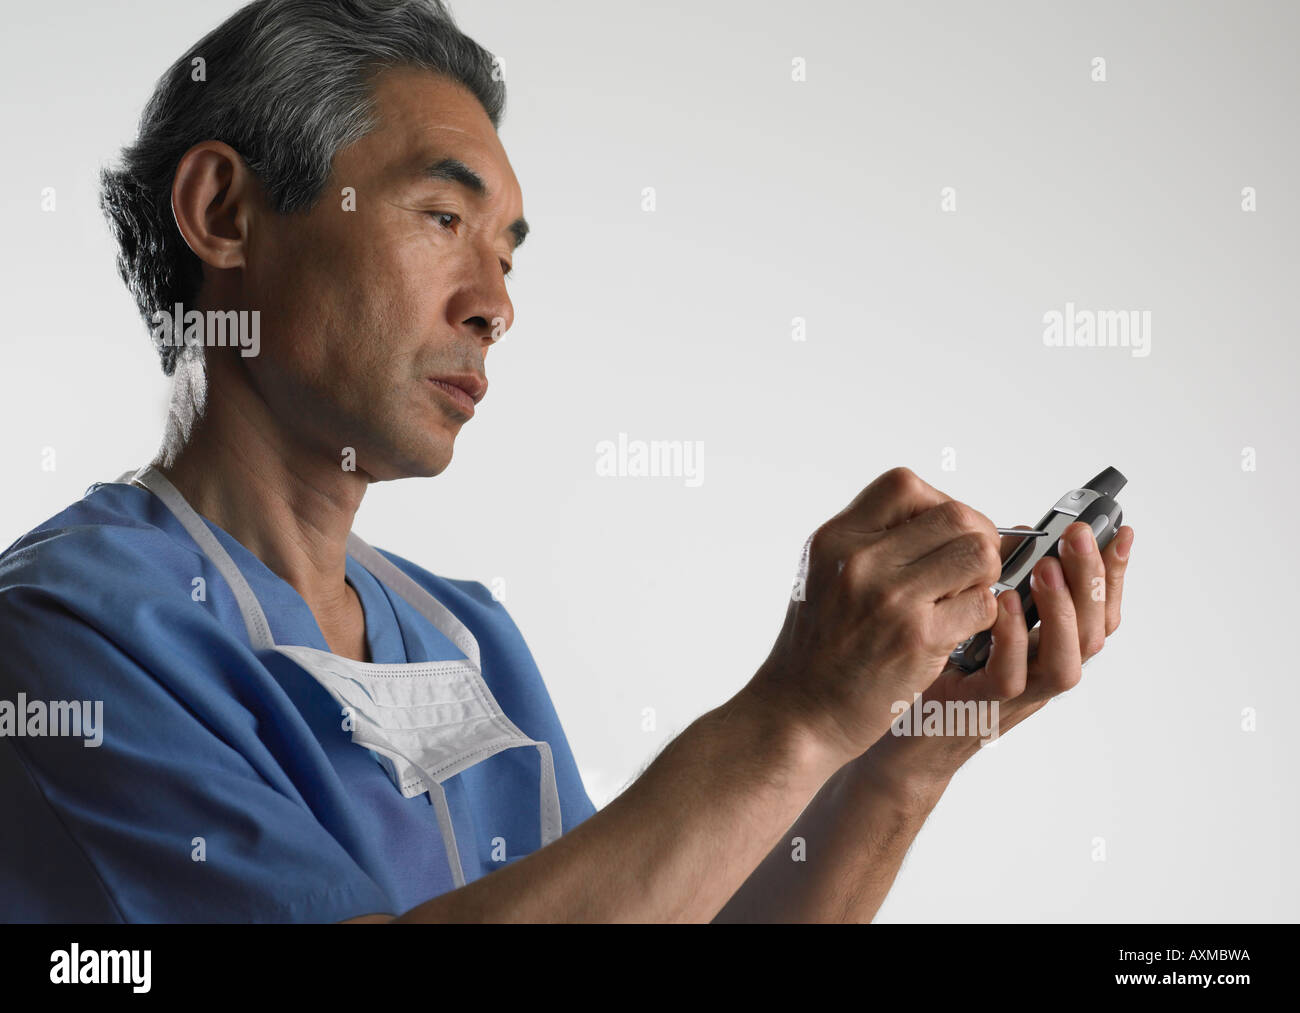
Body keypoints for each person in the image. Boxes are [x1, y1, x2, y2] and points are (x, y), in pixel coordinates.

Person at [0, 0, 1133, 923]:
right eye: (443, 217)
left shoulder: (466, 635)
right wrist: (791, 717)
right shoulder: (64, 631)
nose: (493, 306)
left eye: (506, 255)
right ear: (224, 210)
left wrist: (893, 762)